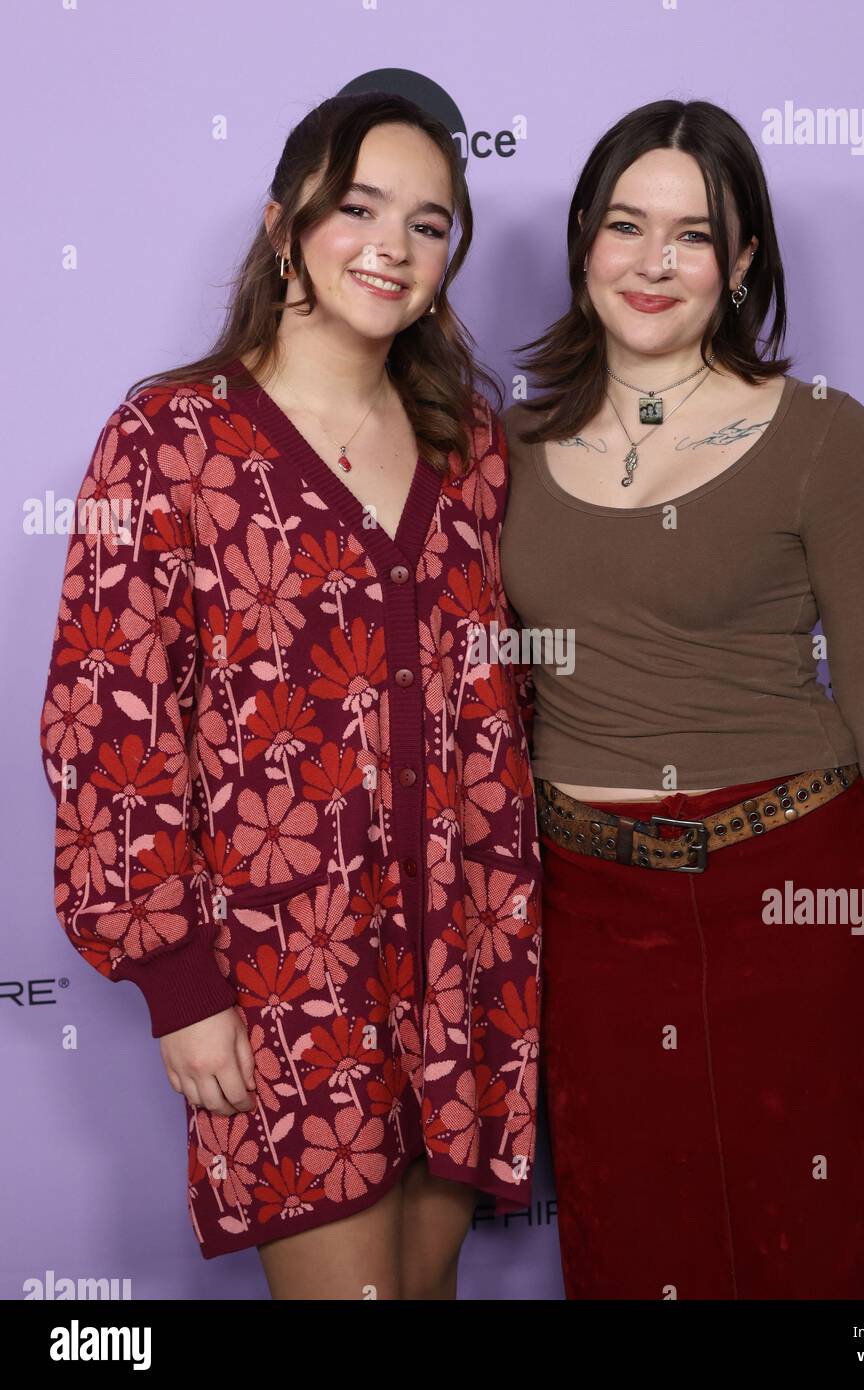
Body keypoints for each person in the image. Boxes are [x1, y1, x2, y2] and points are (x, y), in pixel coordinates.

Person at [38, 91, 542, 1300]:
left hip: (462, 953)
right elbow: (107, 721)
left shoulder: (466, 441)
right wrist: (178, 983)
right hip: (278, 969)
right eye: (356, 207)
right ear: (283, 226)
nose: (392, 245)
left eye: (430, 224)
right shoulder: (168, 437)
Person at [500, 98, 864, 1300]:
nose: (653, 264)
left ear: (744, 260)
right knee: (635, 1248)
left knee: (830, 1252)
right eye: (624, 226)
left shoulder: (823, 440)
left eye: (694, 235)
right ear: (581, 244)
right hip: (592, 918)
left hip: (795, 899)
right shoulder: (504, 449)